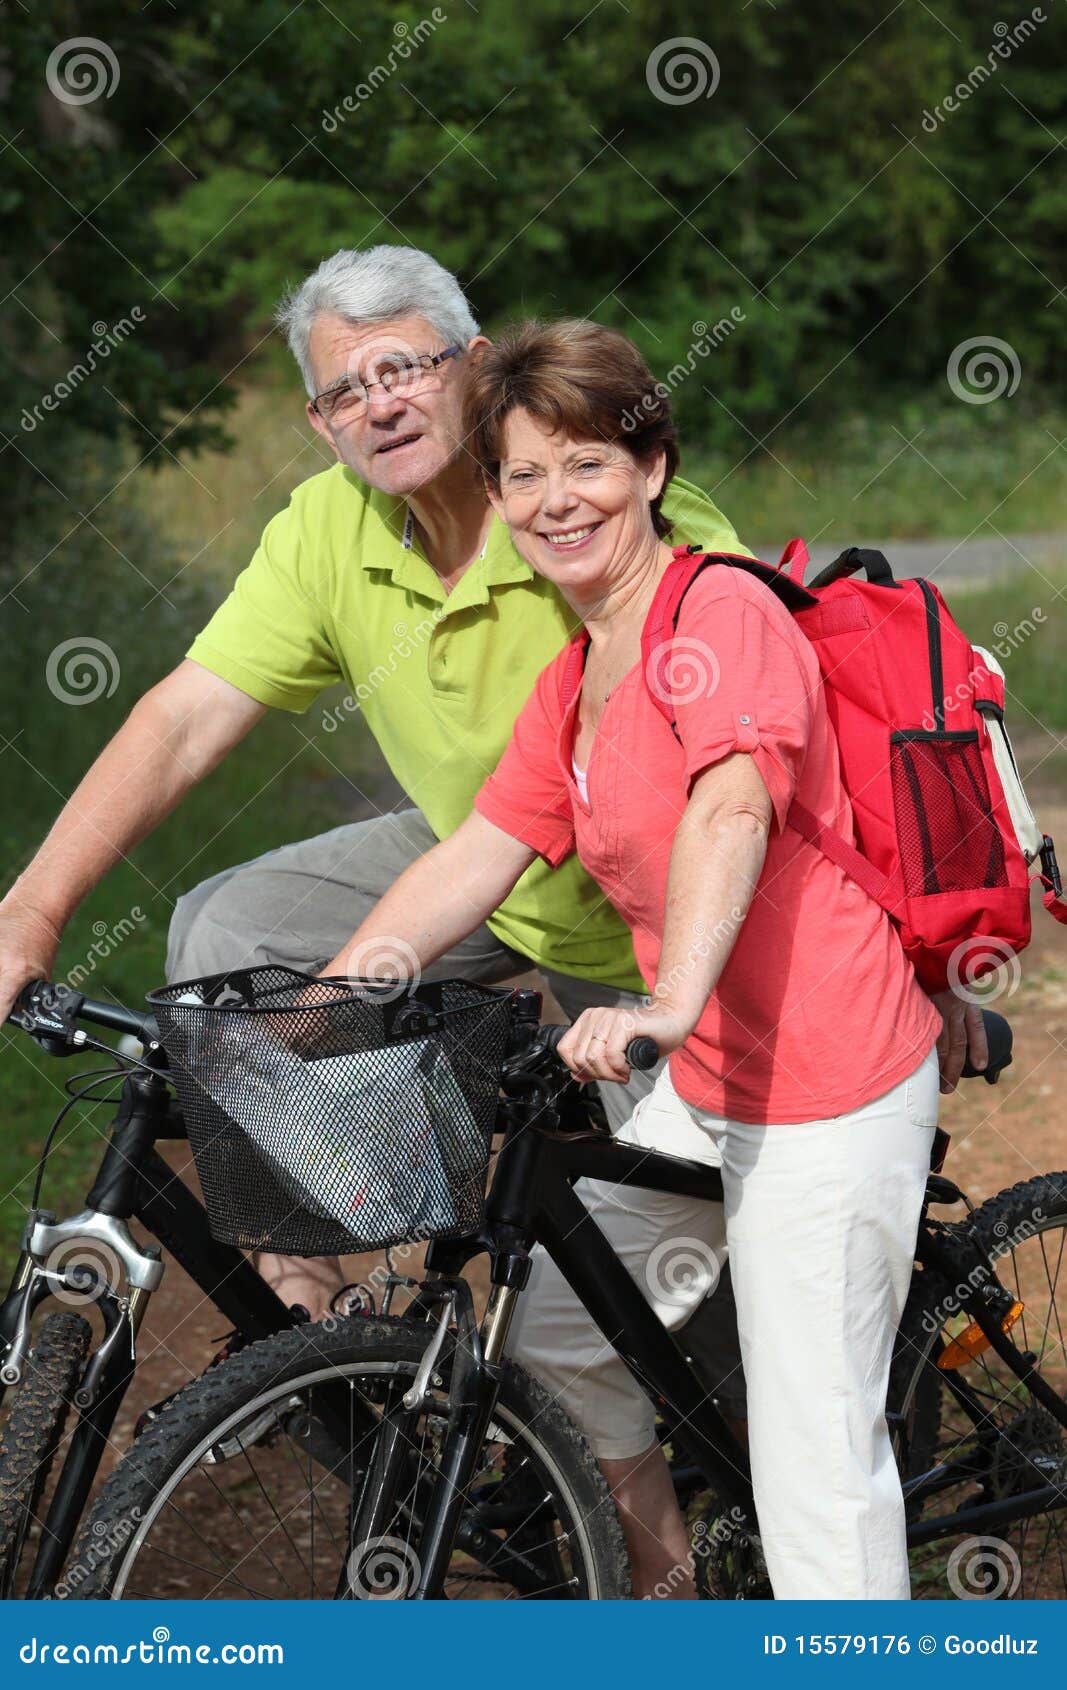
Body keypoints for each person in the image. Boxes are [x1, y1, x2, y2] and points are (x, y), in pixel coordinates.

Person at [316, 318, 986, 1601]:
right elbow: (481, 852)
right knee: (562, 1334)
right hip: (710, 1080)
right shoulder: (575, 674)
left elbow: (732, 804)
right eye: (522, 474)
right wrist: (327, 1002)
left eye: (587, 465)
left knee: (814, 1461)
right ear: (497, 496)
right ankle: (668, 1586)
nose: (555, 501)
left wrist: (665, 1001)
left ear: (653, 468)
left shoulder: (717, 608)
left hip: (831, 1075)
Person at [0, 246, 748, 1340]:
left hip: (654, 919)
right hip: (484, 861)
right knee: (230, 928)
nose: (379, 406)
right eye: (344, 390)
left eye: (403, 367)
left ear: (477, 368)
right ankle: (320, 1301)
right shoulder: (324, 528)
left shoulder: (583, 501)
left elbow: (766, 746)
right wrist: (34, 904)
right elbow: (181, 720)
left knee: (668, 1325)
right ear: (318, 423)